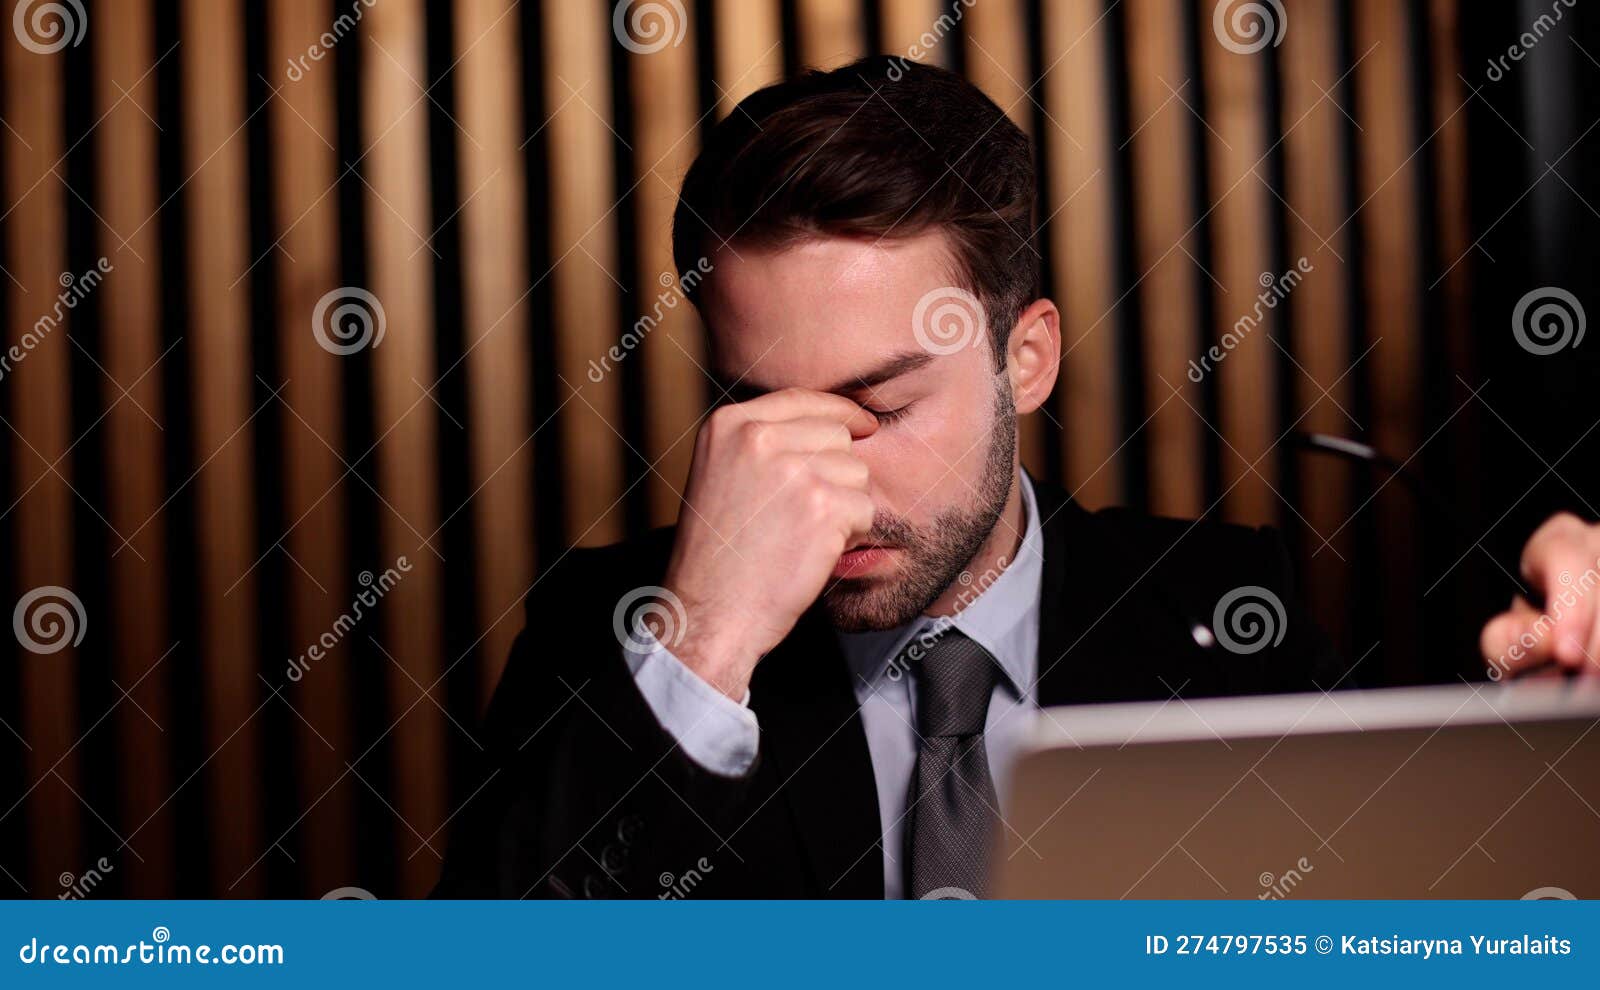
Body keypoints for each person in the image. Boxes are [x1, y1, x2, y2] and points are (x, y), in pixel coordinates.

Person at [433, 56, 1600, 900]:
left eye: (883, 406)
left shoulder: (1226, 602)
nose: (825, 476)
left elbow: (1381, 916)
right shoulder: (610, 636)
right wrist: (699, 660)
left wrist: (1538, 753)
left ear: (1024, 358)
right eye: (765, 415)